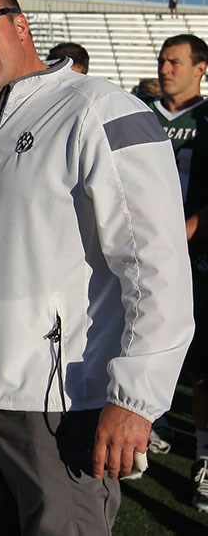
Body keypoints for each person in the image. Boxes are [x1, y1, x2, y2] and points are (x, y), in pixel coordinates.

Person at [0, 0, 194, 535]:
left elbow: (156, 264)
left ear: (20, 24)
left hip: (59, 403)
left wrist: (137, 396)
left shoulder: (100, 109)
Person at [150, 34, 208, 508]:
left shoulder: (206, 120)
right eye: (162, 60)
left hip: (196, 253)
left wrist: (185, 230)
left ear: (200, 69)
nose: (166, 68)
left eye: (176, 62)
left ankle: (204, 457)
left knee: (203, 364)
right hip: (144, 250)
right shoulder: (138, 111)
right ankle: (152, 419)